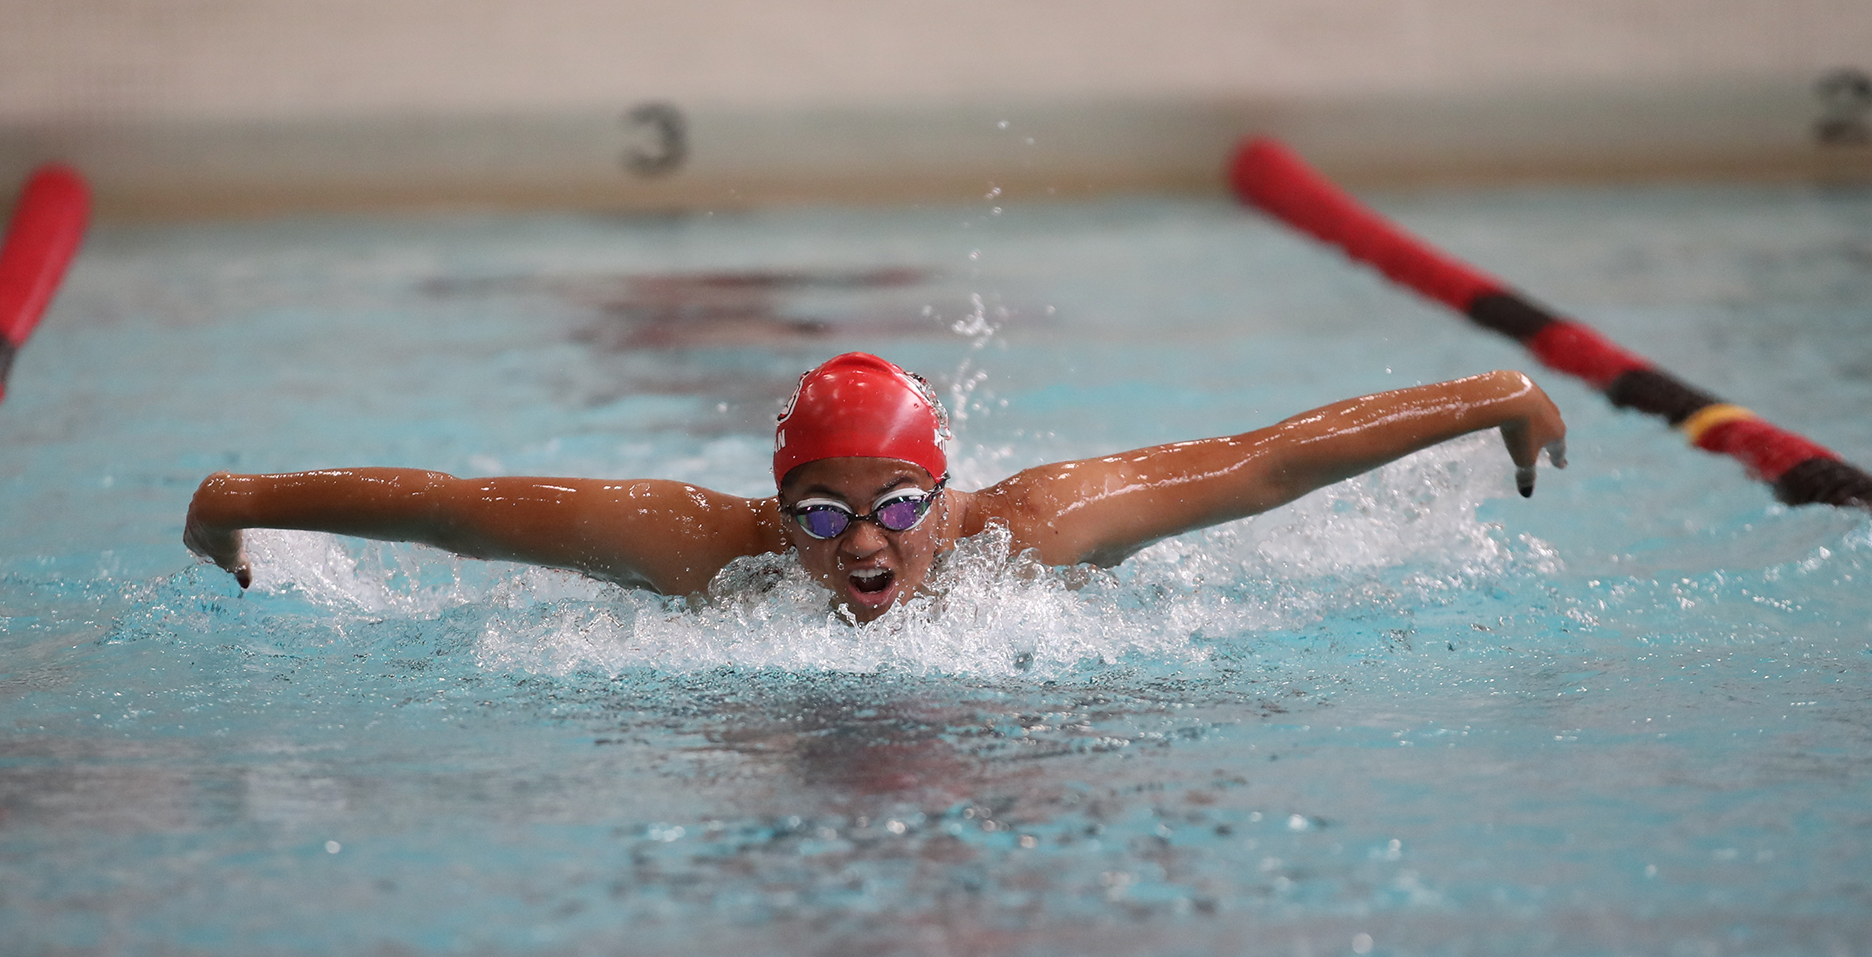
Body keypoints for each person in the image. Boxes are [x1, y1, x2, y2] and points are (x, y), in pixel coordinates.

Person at [184, 352, 1567, 622]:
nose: (864, 544)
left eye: (900, 505)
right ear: (776, 506)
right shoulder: (699, 549)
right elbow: (456, 510)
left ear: (947, 498)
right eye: (825, 511)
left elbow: (1265, 461)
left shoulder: (1032, 535)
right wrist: (242, 497)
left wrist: (1490, 396)